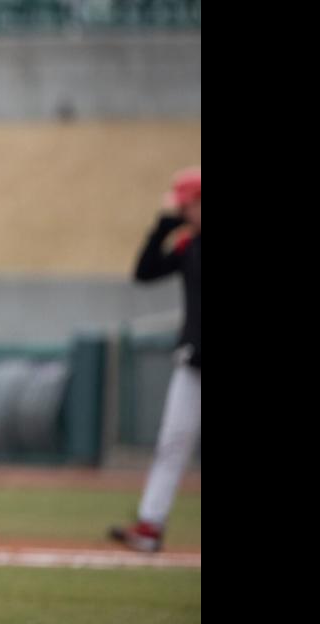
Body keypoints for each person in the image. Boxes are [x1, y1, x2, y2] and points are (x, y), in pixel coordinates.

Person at [109, 166, 201, 553]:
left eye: (187, 205)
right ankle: (150, 525)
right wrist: (164, 224)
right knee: (172, 442)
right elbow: (144, 272)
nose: (186, 211)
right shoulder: (189, 244)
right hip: (194, 361)